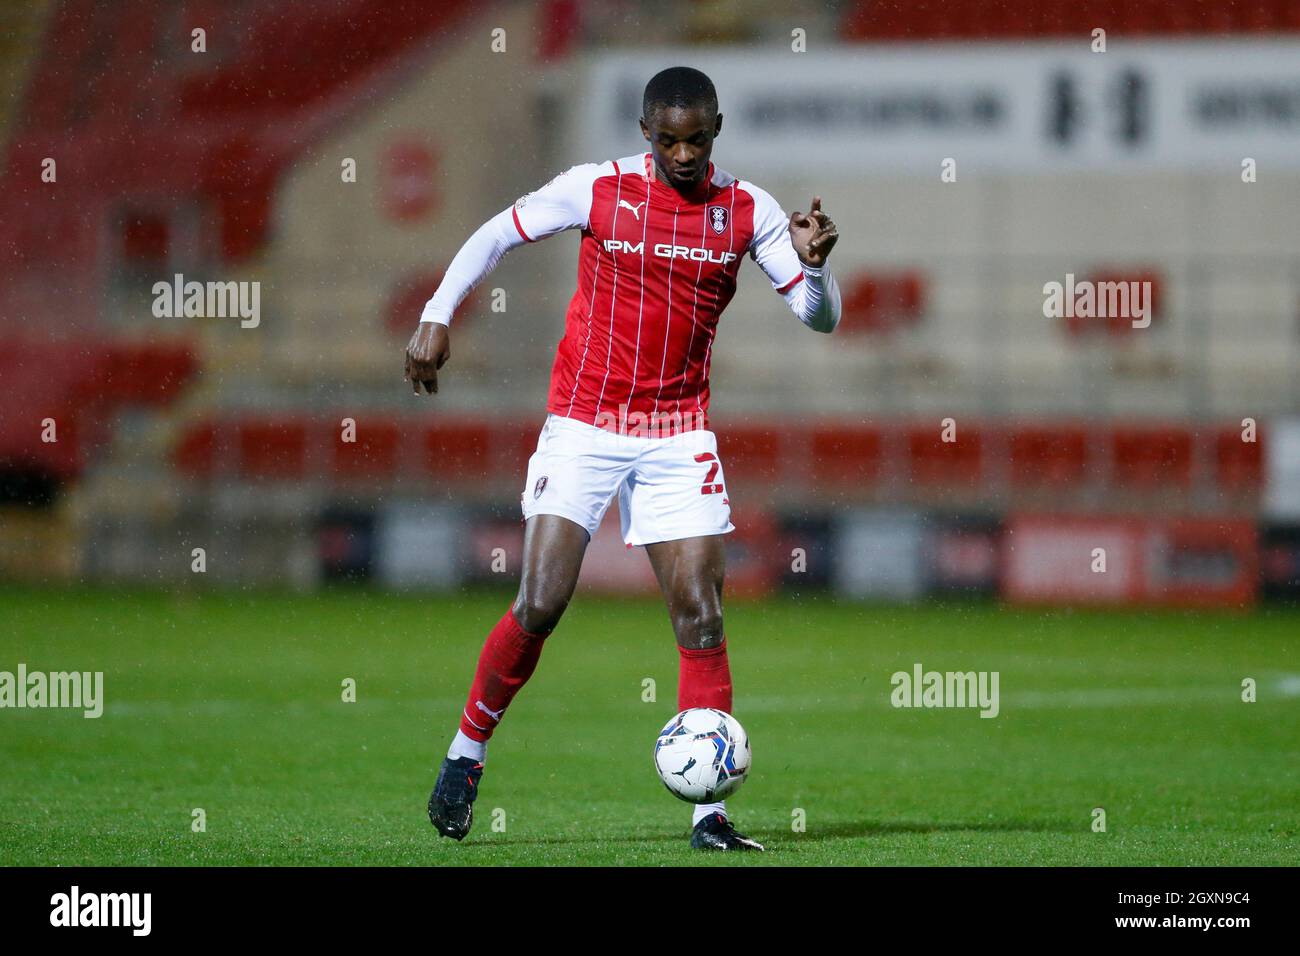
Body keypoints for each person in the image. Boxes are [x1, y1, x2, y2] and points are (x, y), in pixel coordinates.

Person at [405, 66, 841, 851]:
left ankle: (709, 813)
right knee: (540, 600)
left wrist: (815, 266)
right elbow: (497, 232)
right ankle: (466, 754)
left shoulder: (749, 212)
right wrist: (439, 314)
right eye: (668, 138)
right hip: (584, 422)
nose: (682, 152)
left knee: (701, 614)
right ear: (646, 133)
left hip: (678, 433)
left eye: (697, 138)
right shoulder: (596, 190)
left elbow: (818, 320)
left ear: (717, 130)